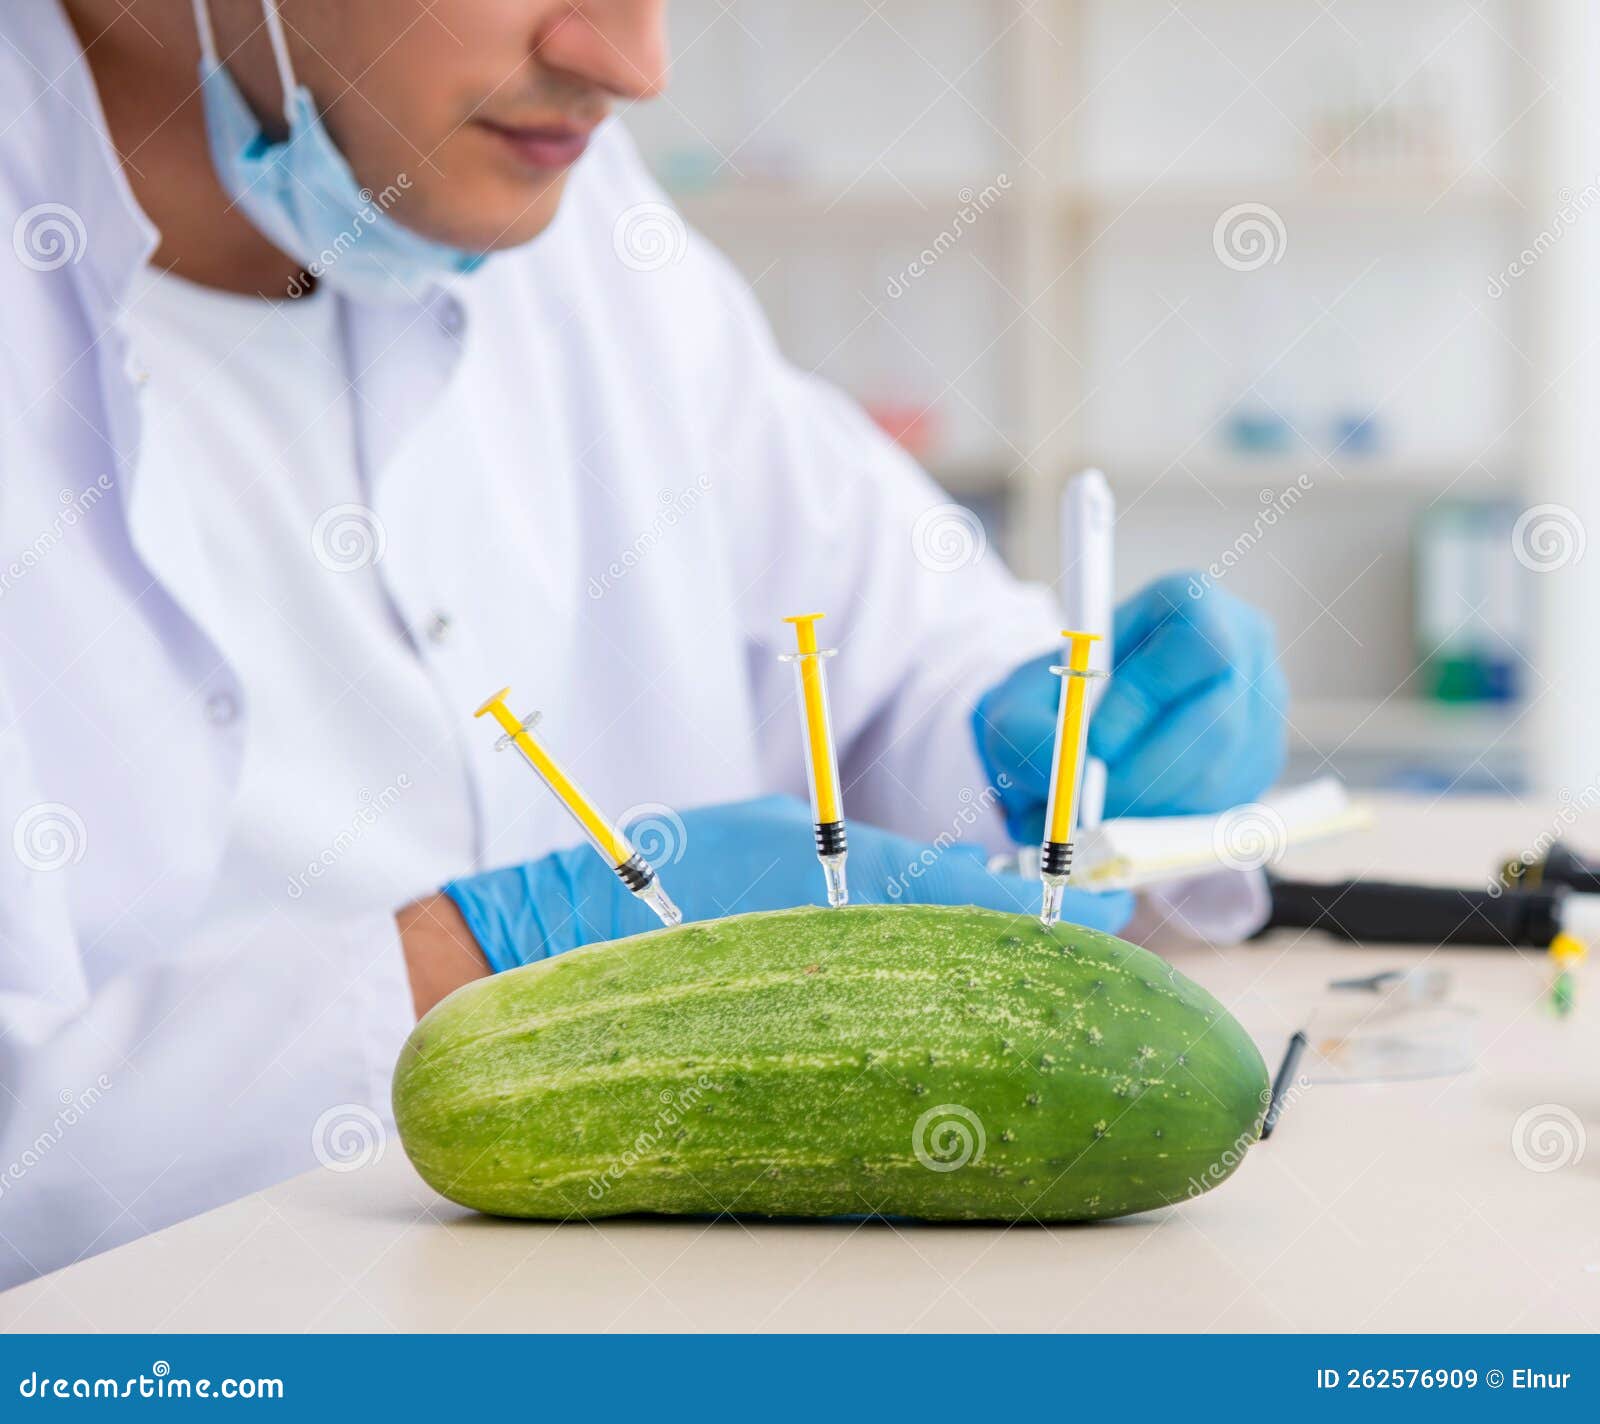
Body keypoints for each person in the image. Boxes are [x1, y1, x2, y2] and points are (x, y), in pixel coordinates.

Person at [0, 0, 1286, 1288]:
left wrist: (1029, 728)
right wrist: (484, 957)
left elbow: (883, 617)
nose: (630, 63)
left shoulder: (558, 192)